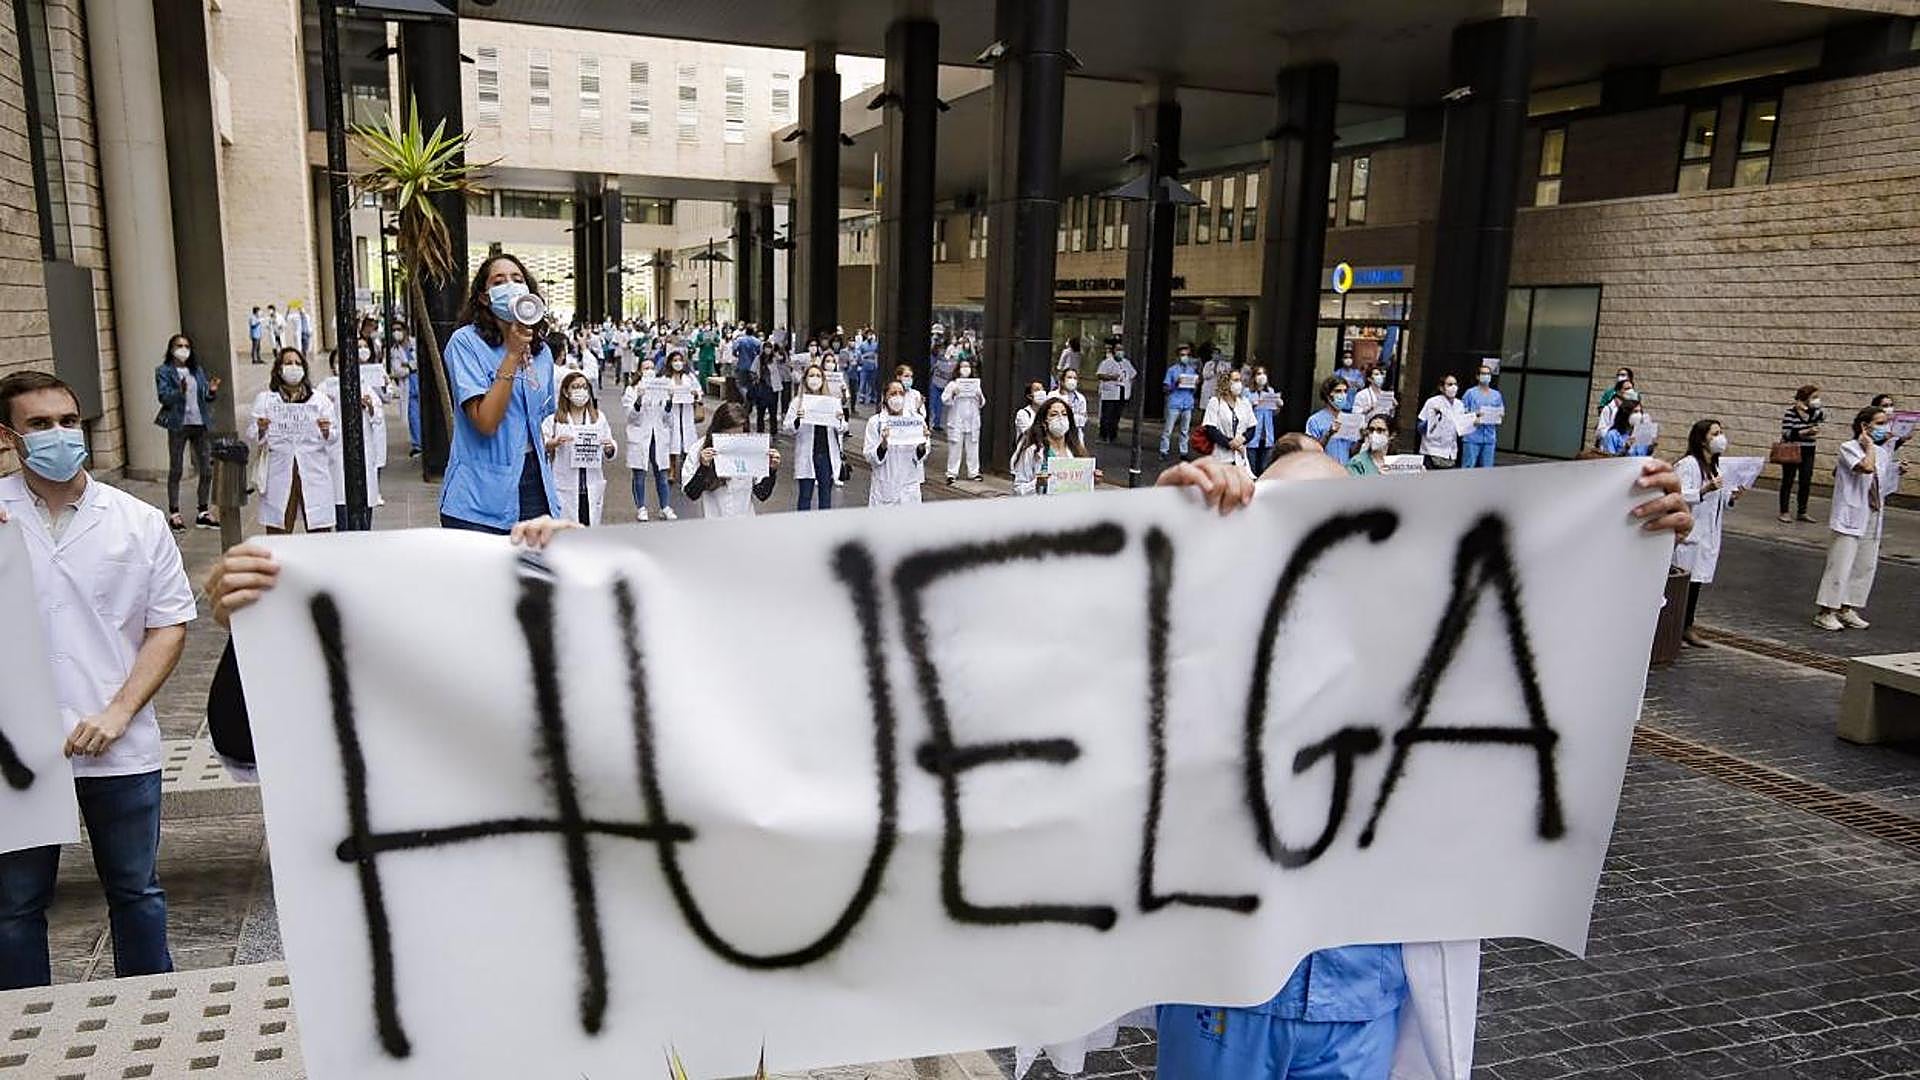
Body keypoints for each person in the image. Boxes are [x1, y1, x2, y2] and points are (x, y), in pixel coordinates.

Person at [1145, 446, 1694, 1080]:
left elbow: (1558, 661)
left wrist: (1635, 551)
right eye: (1280, 519)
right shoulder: (1210, 655)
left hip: (1363, 1001)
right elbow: (1125, 665)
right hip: (1221, 997)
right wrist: (1165, 527)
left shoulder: (1422, 665)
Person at [0, 371, 195, 990]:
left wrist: (119, 711)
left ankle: (153, 1018)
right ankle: (25, 1036)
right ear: (8, 436)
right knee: (14, 908)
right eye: (39, 424)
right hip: (19, 753)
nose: (59, 434)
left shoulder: (136, 521)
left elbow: (168, 626)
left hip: (120, 742)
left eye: (68, 421)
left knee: (137, 893)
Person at [440, 254, 561, 534]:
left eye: (518, 279)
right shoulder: (465, 343)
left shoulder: (541, 352)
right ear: (484, 297)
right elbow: (486, 422)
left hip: (535, 484)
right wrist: (512, 354)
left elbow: (537, 417)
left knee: (531, 575)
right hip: (479, 496)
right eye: (500, 280)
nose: (511, 285)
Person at [1812, 405, 1890, 632]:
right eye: (1880, 423)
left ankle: (1847, 608)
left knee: (1864, 564)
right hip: (1850, 515)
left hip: (1872, 513)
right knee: (1841, 563)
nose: (1884, 428)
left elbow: (1883, 484)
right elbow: (1866, 467)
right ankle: (1826, 611)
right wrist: (1869, 446)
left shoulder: (1882, 453)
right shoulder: (1849, 448)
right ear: (1865, 426)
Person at [246, 349, 335, 533]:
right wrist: (262, 428)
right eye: (288, 363)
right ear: (278, 369)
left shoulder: (319, 400)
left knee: (319, 527)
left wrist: (326, 431)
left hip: (312, 468)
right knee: (279, 527)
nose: (293, 367)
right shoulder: (266, 400)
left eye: (297, 363)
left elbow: (334, 435)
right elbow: (252, 433)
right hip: (280, 468)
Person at [1674, 419, 1735, 647]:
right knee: (1681, 583)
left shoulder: (1716, 466)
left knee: (1695, 583)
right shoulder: (1688, 464)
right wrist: (1705, 489)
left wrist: (1732, 498)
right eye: (1715, 434)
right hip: (1689, 533)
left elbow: (1719, 500)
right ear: (1702, 439)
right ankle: (1673, 626)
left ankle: (1687, 626)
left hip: (1708, 534)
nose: (1720, 438)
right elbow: (1679, 493)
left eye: (1721, 432)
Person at [153, 333, 221, 530]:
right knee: (176, 469)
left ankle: (203, 511)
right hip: (178, 424)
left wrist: (212, 390)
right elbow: (164, 398)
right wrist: (179, 392)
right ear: (171, 349)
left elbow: (205, 397)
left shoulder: (196, 370)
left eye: (186, 345)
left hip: (199, 423)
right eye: (179, 345)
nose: (183, 349)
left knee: (207, 469)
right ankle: (174, 513)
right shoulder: (163, 371)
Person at [542, 370, 617, 526]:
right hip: (565, 487)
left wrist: (609, 448)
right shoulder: (554, 421)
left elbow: (609, 446)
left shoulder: (598, 418)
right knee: (566, 532)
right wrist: (553, 443)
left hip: (590, 486)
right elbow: (542, 445)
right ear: (565, 391)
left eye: (584, 387)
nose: (580, 391)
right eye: (575, 387)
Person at [681, 402, 780, 519]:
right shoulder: (700, 449)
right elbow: (691, 493)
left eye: (738, 436)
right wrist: (704, 467)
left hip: (745, 525)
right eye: (728, 436)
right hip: (714, 526)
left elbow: (761, 494)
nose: (734, 441)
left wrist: (772, 470)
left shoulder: (751, 447)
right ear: (718, 430)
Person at [320, 347, 384, 525]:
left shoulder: (364, 387)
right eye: (337, 362)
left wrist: (369, 406)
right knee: (341, 502)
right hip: (336, 453)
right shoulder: (325, 388)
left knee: (364, 500)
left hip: (362, 452)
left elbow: (377, 417)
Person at [786, 363, 847, 510]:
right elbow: (787, 428)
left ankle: (823, 528)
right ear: (805, 379)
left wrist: (839, 419)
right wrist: (798, 419)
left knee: (825, 495)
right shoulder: (798, 402)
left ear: (823, 380)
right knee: (805, 495)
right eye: (811, 376)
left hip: (826, 454)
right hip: (807, 454)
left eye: (818, 376)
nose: (815, 379)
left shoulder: (831, 402)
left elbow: (843, 428)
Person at [622, 361, 678, 522]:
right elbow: (632, 418)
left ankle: (665, 507)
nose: (649, 370)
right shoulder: (631, 390)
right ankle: (641, 507)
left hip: (658, 438)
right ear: (639, 370)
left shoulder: (662, 389)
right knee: (639, 474)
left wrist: (669, 401)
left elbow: (667, 419)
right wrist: (639, 399)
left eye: (652, 367)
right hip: (640, 438)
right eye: (646, 368)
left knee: (662, 474)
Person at [865, 381, 930, 507]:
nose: (897, 397)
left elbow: (922, 455)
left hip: (909, 487)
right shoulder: (876, 422)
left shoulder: (916, 420)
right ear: (885, 397)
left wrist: (922, 443)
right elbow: (870, 456)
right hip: (885, 489)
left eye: (901, 393)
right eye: (893, 394)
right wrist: (883, 444)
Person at [1011, 396, 1090, 496]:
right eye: (1054, 415)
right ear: (1044, 422)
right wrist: (1036, 484)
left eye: (1064, 414)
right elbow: (1018, 489)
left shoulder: (1076, 450)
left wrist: (1091, 478)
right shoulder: (1033, 451)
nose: (1060, 418)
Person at [1777, 384, 1823, 524]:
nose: (1817, 400)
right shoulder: (1790, 413)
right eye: (1814, 397)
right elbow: (1786, 433)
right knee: (1788, 480)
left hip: (1809, 449)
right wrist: (1804, 432)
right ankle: (1784, 511)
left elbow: (1818, 420)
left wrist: (1807, 411)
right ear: (1805, 398)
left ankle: (1802, 511)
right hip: (1793, 449)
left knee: (1806, 481)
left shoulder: (1816, 412)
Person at [1201, 370, 1256, 476]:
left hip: (1240, 457)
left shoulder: (1244, 402)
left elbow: (1252, 427)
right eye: (1235, 380)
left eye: (1240, 380)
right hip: (1222, 456)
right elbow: (1211, 429)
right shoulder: (1215, 402)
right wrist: (1230, 443)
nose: (1239, 383)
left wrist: (1242, 439)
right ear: (1226, 383)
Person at [942, 356, 985, 483]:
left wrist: (979, 396)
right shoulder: (952, 384)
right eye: (963, 367)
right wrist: (953, 393)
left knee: (973, 448)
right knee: (955, 448)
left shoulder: (976, 384)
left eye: (968, 367)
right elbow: (945, 400)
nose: (965, 369)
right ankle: (951, 473)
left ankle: (974, 472)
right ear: (958, 369)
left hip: (972, 422)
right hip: (957, 422)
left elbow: (982, 403)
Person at [1417, 375, 1467, 470]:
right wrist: (1432, 418)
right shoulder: (1432, 402)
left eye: (1455, 384)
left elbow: (1461, 427)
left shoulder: (1459, 405)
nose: (1453, 387)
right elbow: (1420, 428)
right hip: (1431, 451)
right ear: (1441, 388)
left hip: (1450, 453)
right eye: (1450, 384)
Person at [1459, 362, 1504, 469]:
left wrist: (1500, 415)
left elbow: (1501, 411)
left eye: (1488, 374)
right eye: (1483, 373)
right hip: (1472, 436)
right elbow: (1461, 413)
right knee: (1468, 466)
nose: (1486, 376)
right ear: (1477, 376)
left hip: (1489, 437)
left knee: (1487, 468)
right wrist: (1474, 416)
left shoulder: (1496, 395)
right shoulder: (1470, 393)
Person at [1160, 345, 1201, 459]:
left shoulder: (1191, 370)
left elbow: (1194, 390)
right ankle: (1164, 451)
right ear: (1178, 357)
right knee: (1168, 429)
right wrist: (1175, 384)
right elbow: (1165, 388)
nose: (1185, 357)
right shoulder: (1172, 370)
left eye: (1187, 355)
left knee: (1185, 430)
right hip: (1175, 402)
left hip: (1187, 403)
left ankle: (1184, 452)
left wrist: (1196, 384)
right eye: (1183, 355)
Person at [1305, 376, 1356, 463]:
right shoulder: (1315, 420)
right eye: (1338, 391)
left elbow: (1352, 451)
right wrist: (1329, 434)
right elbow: (1312, 451)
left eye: (1345, 391)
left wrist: (1361, 440)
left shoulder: (1349, 419)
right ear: (1328, 395)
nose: (1343, 395)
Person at [1247, 366, 1280, 476]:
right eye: (1258, 374)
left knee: (1264, 468)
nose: (1262, 376)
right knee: (1251, 468)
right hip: (1252, 435)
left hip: (1267, 435)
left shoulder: (1270, 391)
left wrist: (1278, 405)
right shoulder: (1247, 392)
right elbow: (1242, 413)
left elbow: (1274, 413)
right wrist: (1253, 405)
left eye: (1263, 373)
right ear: (1254, 377)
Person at [1095, 344, 1130, 443]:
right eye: (1118, 349)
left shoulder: (1126, 363)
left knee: (1116, 416)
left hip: (1122, 392)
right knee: (1106, 415)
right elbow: (1100, 375)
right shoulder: (1107, 362)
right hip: (1110, 392)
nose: (1120, 352)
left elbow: (1132, 375)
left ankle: (1113, 436)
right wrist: (1111, 377)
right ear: (1114, 351)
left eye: (1122, 349)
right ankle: (1103, 436)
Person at [1057, 368, 1091, 439]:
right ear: (1062, 381)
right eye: (1069, 377)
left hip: (1075, 435)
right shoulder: (1053, 396)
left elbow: (1083, 419)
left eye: (1075, 378)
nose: (1072, 380)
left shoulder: (1081, 398)